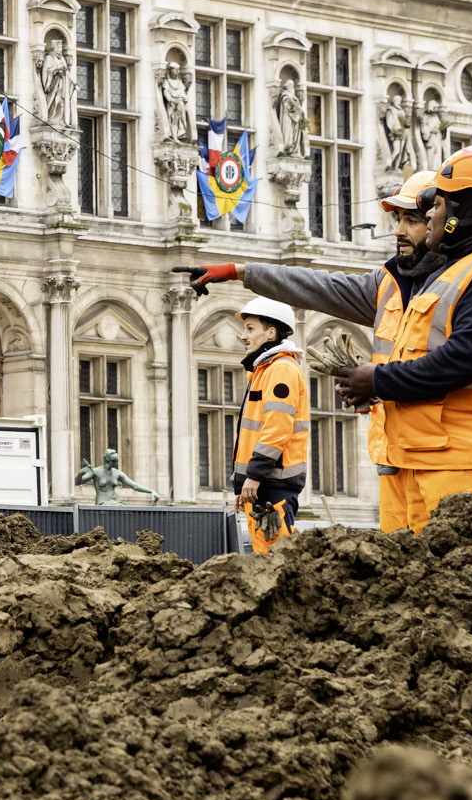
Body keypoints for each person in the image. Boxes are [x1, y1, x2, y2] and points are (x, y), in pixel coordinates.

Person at [174, 170, 441, 532]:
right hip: (395, 458)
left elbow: (454, 365)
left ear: (443, 219)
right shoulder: (388, 284)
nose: (397, 231)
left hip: (441, 460)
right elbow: (318, 285)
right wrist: (237, 271)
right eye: (397, 220)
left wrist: (379, 380)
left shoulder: (458, 284)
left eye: (411, 220)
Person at [334, 145, 472, 530]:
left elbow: (465, 360)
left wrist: (377, 379)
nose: (429, 214)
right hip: (430, 456)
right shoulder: (454, 273)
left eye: (438, 205)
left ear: (465, 211)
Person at [229, 296, 308, 553]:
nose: (243, 335)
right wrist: (243, 484)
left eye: (250, 328)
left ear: (271, 332)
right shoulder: (265, 370)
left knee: (276, 562)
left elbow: (277, 428)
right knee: (265, 561)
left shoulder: (281, 369)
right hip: (262, 486)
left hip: (272, 486)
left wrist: (253, 476)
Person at [75, 448, 160, 505]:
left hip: (116, 502)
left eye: (116, 461)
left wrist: (151, 491)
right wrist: (81, 473)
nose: (115, 463)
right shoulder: (96, 472)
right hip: (103, 503)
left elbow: (135, 485)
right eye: (113, 461)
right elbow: (77, 482)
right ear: (107, 460)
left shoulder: (117, 473)